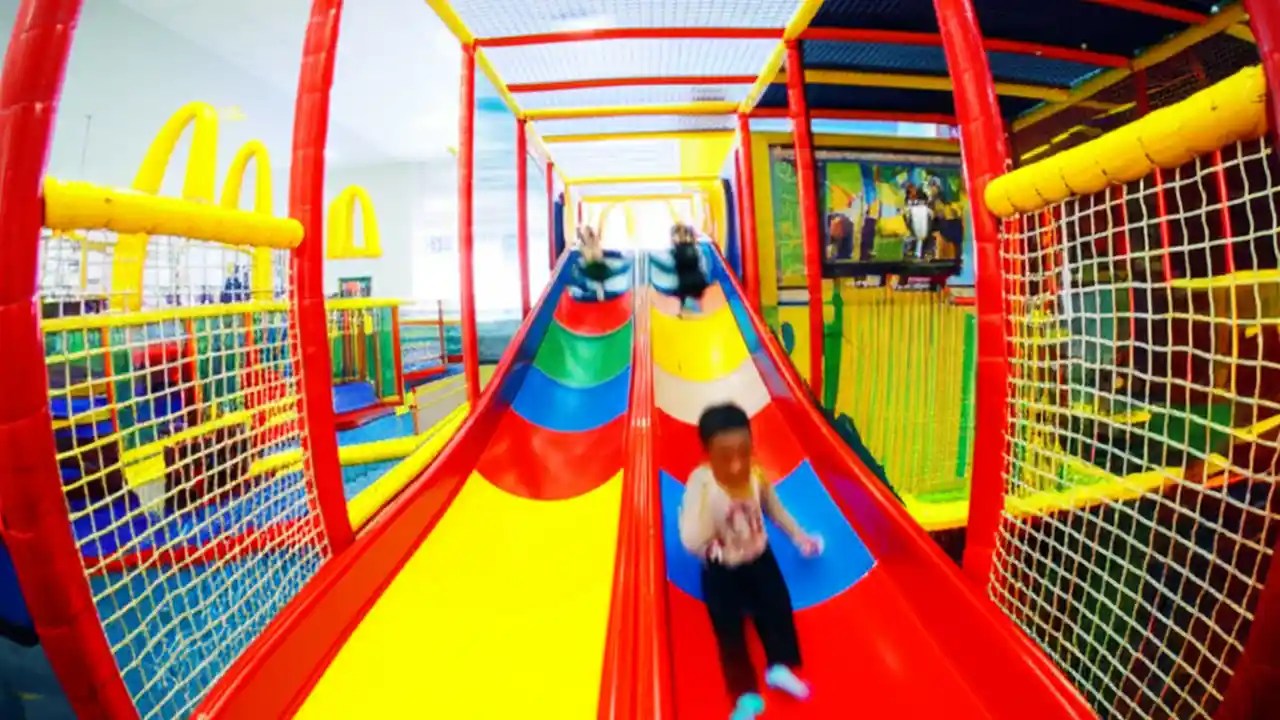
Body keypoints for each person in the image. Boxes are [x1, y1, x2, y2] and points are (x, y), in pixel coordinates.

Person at [679, 403, 822, 720]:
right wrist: (709, 541)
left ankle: (779, 665)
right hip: (722, 569)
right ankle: (745, 695)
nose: (736, 463)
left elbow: (774, 508)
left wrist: (799, 536)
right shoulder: (701, 483)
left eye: (742, 451)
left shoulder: (755, 473)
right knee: (729, 630)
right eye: (725, 455)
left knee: (777, 608)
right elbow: (690, 536)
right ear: (708, 453)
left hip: (759, 556)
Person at [671, 223, 709, 316]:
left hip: (685, 283)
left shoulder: (676, 250)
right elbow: (703, 265)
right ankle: (695, 310)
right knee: (692, 296)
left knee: (684, 296)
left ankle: (687, 312)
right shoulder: (696, 248)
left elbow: (672, 266)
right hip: (699, 280)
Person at [576, 225, 610, 300]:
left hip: (598, 266)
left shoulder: (594, 243)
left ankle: (600, 288)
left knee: (598, 267)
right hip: (593, 267)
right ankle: (597, 288)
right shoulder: (583, 246)